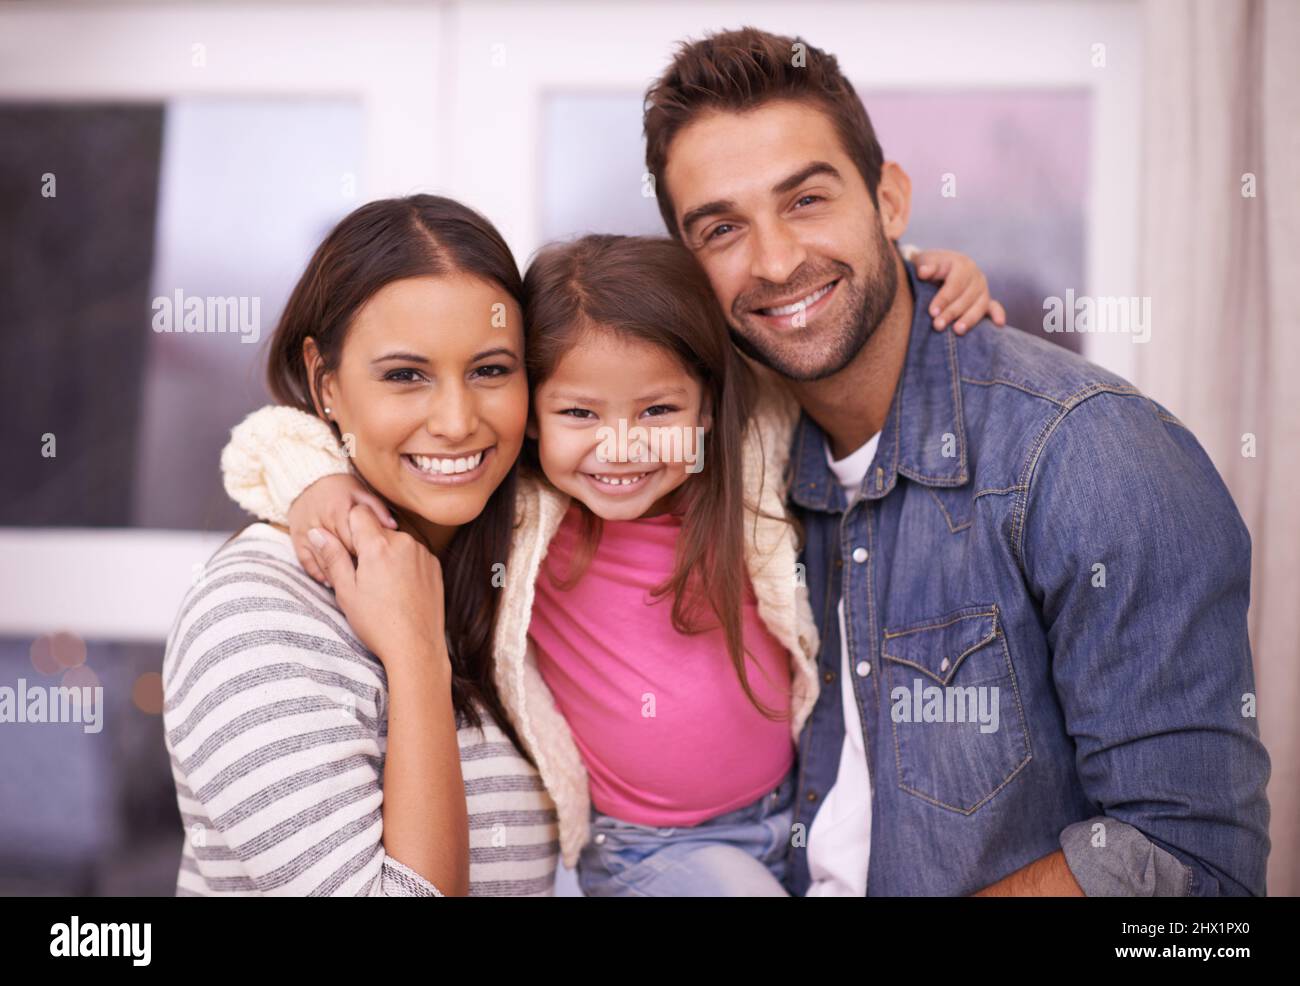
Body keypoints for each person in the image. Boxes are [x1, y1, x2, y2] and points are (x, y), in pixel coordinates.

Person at [639, 26, 1270, 895]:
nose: (776, 261)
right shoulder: (738, 460)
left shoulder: (1089, 455)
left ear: (891, 201)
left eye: (807, 200)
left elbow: (1195, 877)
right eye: (721, 229)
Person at [219, 234, 1000, 895]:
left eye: (656, 411)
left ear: (708, 401)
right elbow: (273, 435)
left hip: (800, 805)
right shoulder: (525, 507)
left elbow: (829, 347)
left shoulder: (746, 457)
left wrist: (913, 286)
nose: (619, 447)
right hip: (650, 853)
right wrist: (315, 480)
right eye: (579, 414)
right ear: (530, 419)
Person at [162, 195, 557, 896]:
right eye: (405, 375)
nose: (458, 420)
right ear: (325, 383)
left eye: (491, 370)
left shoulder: (514, 577)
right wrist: (412, 650)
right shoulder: (254, 615)